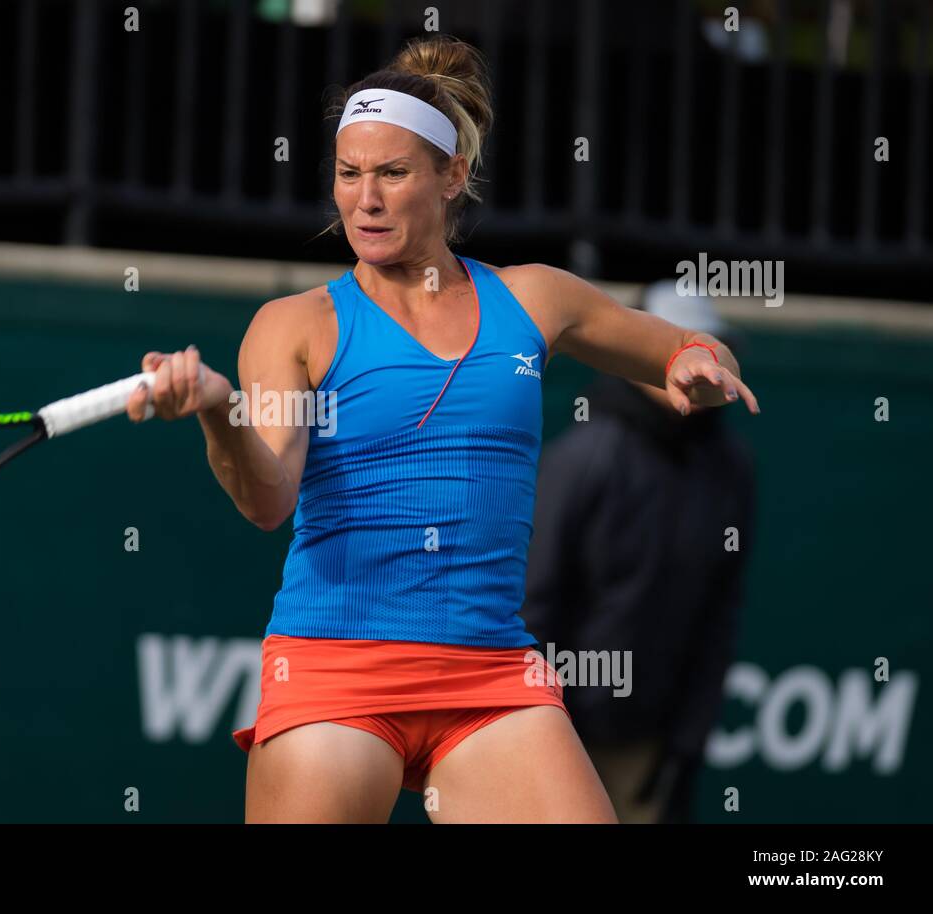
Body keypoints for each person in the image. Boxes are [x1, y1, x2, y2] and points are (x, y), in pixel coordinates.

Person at [125, 35, 759, 823]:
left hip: (491, 676)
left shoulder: (535, 299)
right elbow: (267, 499)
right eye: (349, 174)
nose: (366, 199)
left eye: (393, 173)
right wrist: (221, 411)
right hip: (337, 667)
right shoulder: (294, 326)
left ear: (452, 174)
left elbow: (689, 348)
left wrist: (695, 364)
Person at [522, 282, 757, 824]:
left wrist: (686, 743)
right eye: (670, 349)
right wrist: (542, 731)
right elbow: (535, 603)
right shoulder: (584, 460)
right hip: (558, 736)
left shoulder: (731, 469)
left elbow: (720, 612)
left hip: (650, 749)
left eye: (707, 350)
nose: (695, 369)